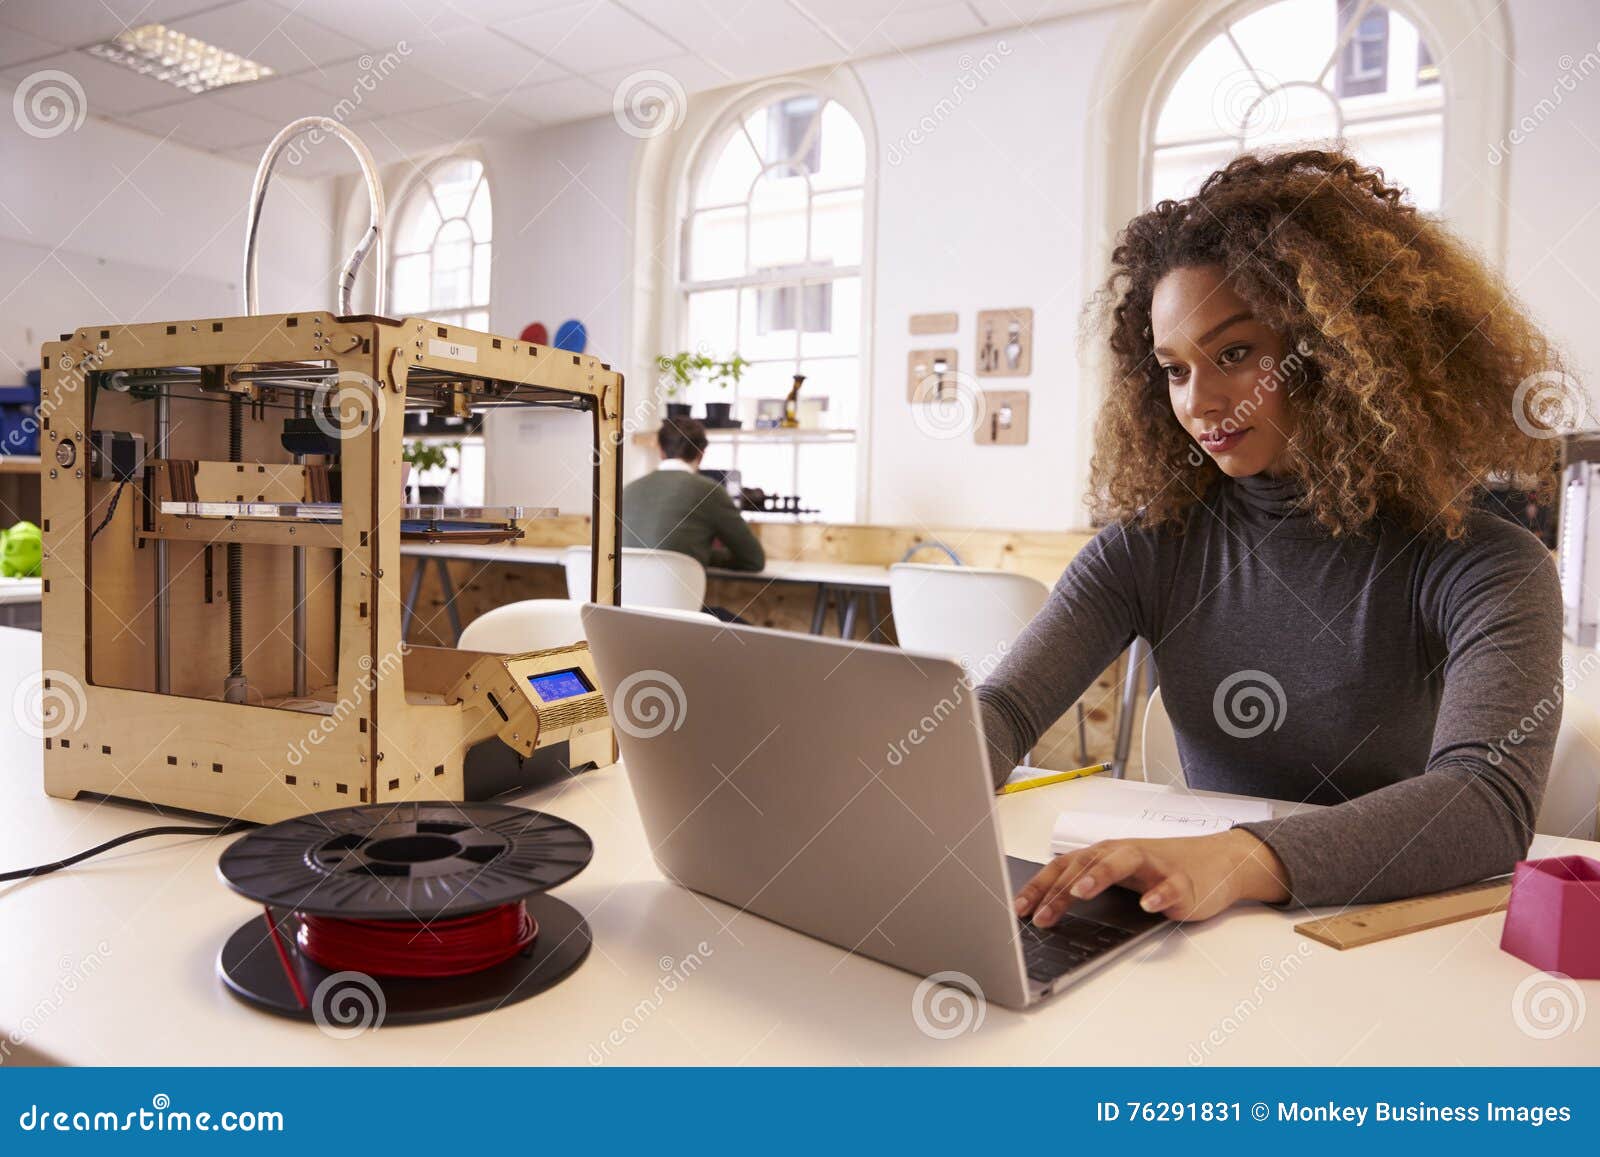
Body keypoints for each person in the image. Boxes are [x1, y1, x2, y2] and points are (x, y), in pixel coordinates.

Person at [983, 149, 1565, 927]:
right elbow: (1005, 708)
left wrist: (1237, 858)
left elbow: (1487, 804)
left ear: (1336, 350)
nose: (1200, 400)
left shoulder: (1485, 563)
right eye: (1174, 368)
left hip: (1381, 935)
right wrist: (907, 775)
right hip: (1199, 929)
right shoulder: (1148, 546)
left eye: (1235, 354)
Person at [622, 417, 765, 573]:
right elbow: (754, 560)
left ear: (660, 451)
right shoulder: (710, 491)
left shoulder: (628, 490)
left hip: (627, 595)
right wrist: (700, 554)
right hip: (680, 595)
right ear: (701, 453)